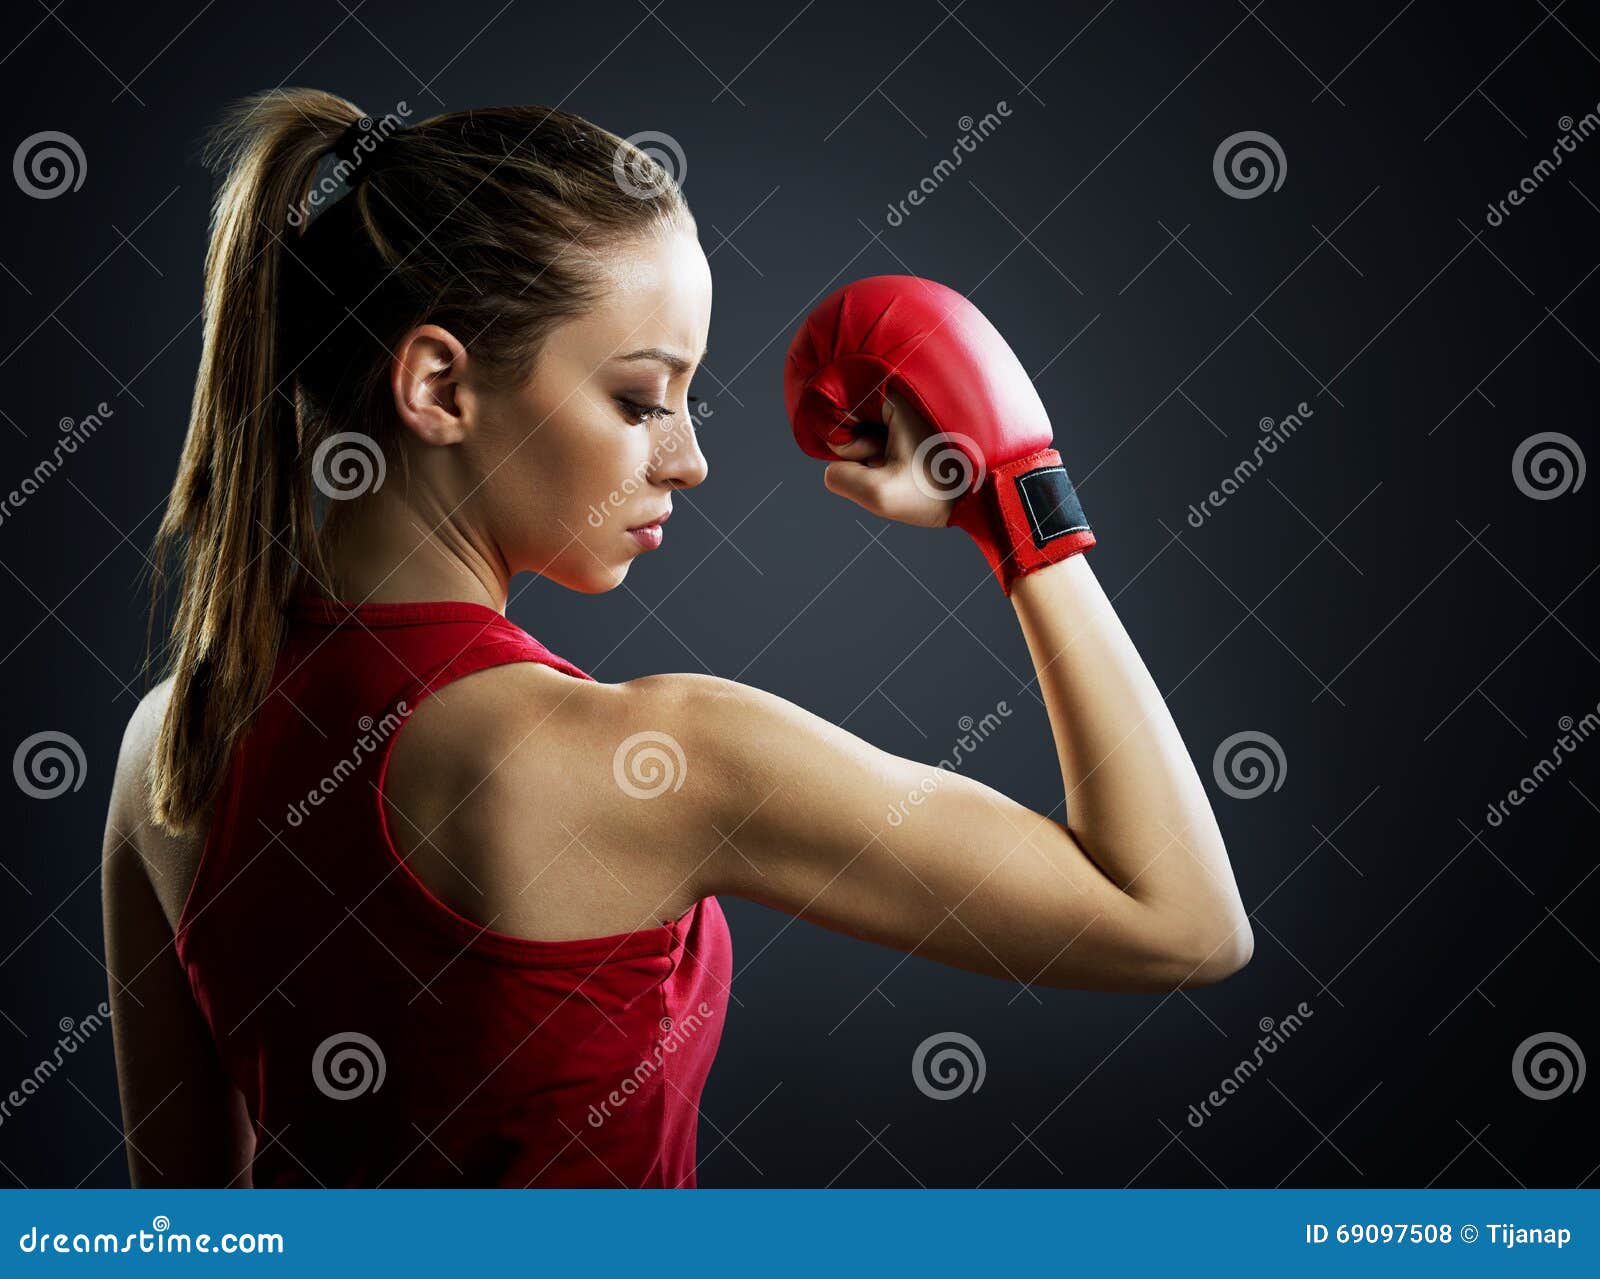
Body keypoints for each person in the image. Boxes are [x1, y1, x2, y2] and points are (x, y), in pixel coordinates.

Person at [101, 88, 1251, 1189]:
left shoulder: (168, 750)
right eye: (644, 400)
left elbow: (181, 1229)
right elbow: (1179, 921)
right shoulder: (658, 759)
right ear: (440, 385)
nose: (689, 458)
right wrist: (1019, 498)